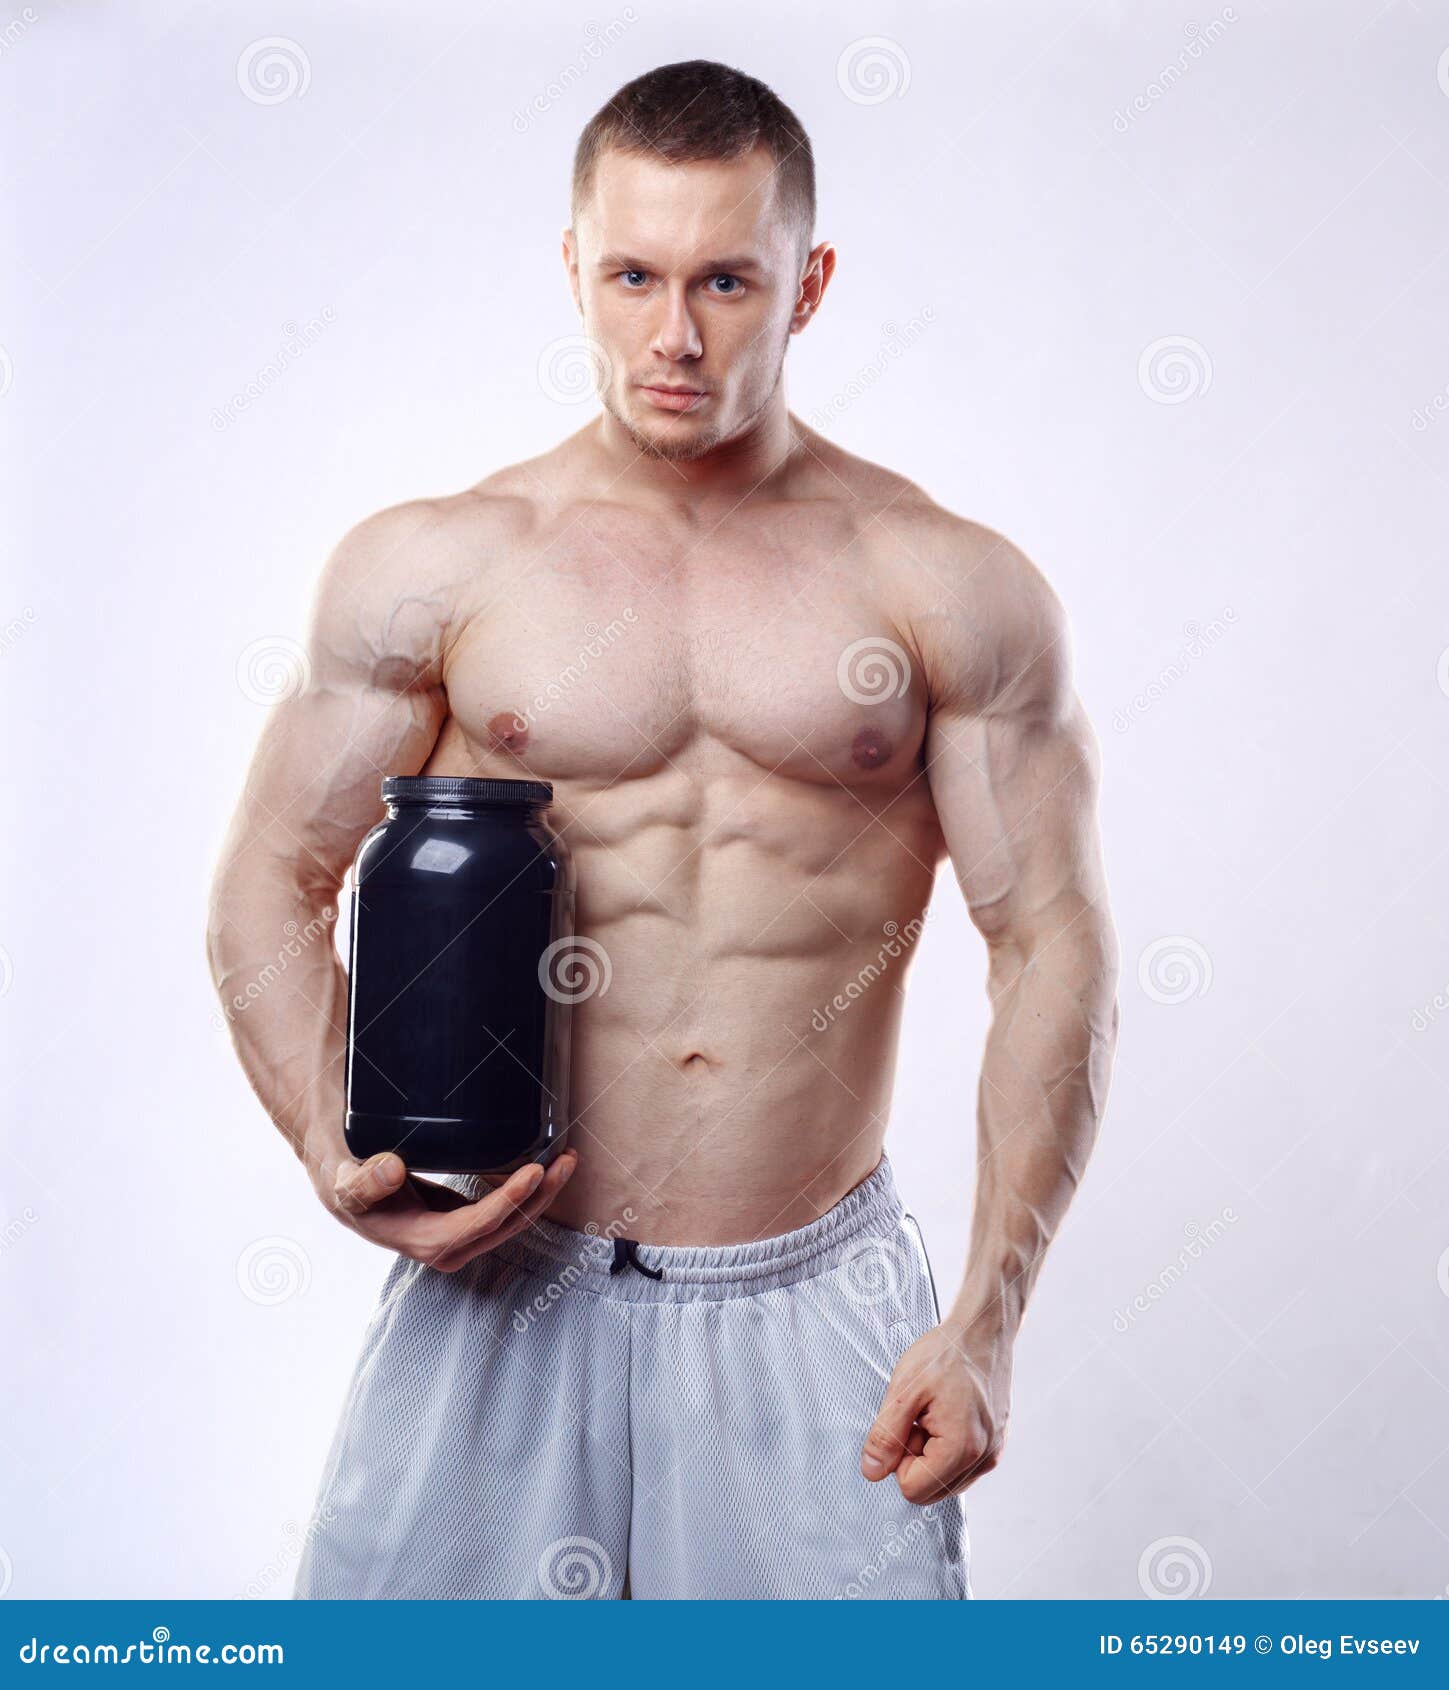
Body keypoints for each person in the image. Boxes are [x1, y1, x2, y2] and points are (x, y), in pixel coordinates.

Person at [207, 58, 1120, 1600]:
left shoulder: (943, 584)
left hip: (814, 1298)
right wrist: (326, 1140)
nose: (672, 336)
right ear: (573, 267)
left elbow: (1049, 943)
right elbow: (269, 881)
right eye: (630, 275)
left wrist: (987, 1315)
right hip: (502, 1279)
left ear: (808, 285)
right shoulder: (440, 565)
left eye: (724, 282)